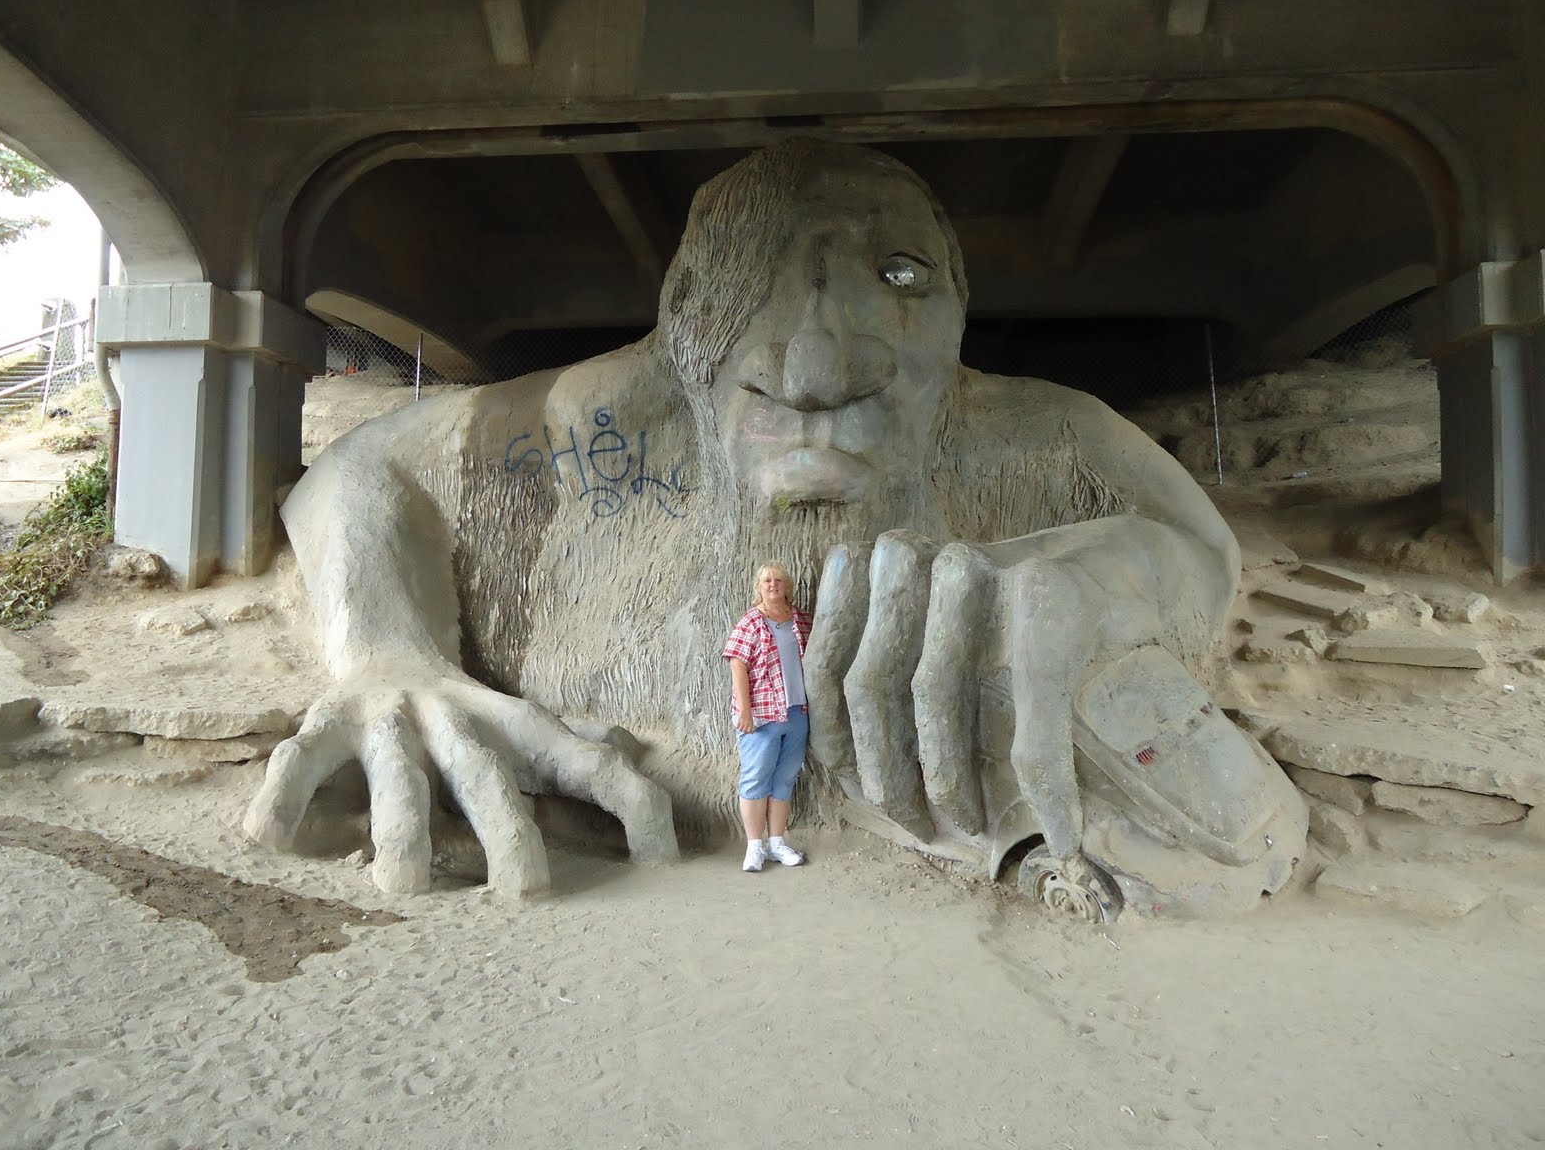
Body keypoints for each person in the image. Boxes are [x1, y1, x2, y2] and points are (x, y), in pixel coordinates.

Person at [242, 138, 1243, 902]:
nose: (811, 369)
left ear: (958, 319)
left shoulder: (1036, 435)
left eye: (899, 275)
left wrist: (1112, 576)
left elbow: (1202, 547)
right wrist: (385, 652)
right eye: (743, 281)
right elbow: (359, 466)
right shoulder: (613, 413)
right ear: (679, 320)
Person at [723, 562, 813, 871]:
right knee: (756, 778)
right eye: (765, 581)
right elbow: (737, 664)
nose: (772, 584)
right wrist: (744, 709)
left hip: (797, 711)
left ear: (786, 585)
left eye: (777, 580)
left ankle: (777, 843)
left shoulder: (800, 619)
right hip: (761, 714)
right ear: (758, 588)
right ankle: (754, 846)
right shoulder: (750, 622)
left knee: (784, 778)